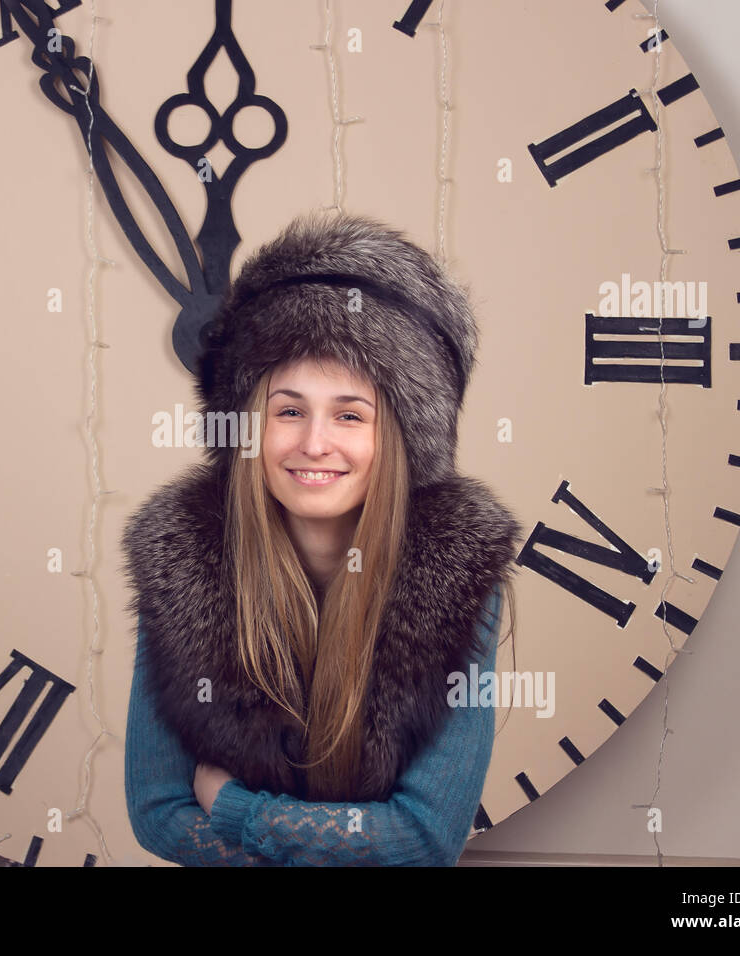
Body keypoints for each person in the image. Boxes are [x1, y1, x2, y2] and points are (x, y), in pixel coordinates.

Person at [120, 209, 522, 866]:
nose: (314, 443)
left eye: (349, 414)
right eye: (288, 410)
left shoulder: (459, 573)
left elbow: (425, 837)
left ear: (394, 437)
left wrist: (237, 809)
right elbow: (158, 811)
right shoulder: (180, 560)